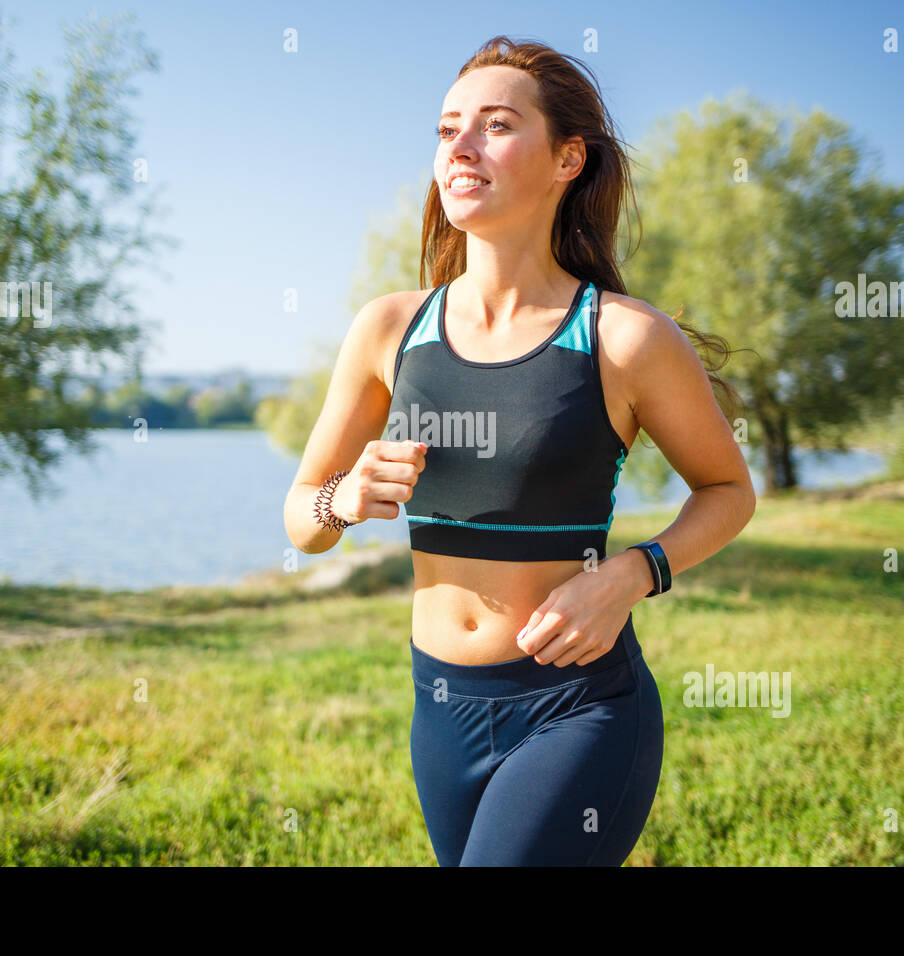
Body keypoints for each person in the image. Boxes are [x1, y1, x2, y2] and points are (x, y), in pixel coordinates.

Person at [283, 36, 755, 866]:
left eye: (496, 126)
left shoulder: (624, 337)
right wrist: (345, 497)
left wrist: (629, 575)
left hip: (578, 705)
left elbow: (726, 489)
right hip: (440, 706)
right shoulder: (390, 329)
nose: (460, 148)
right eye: (446, 129)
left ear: (568, 157)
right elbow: (302, 519)